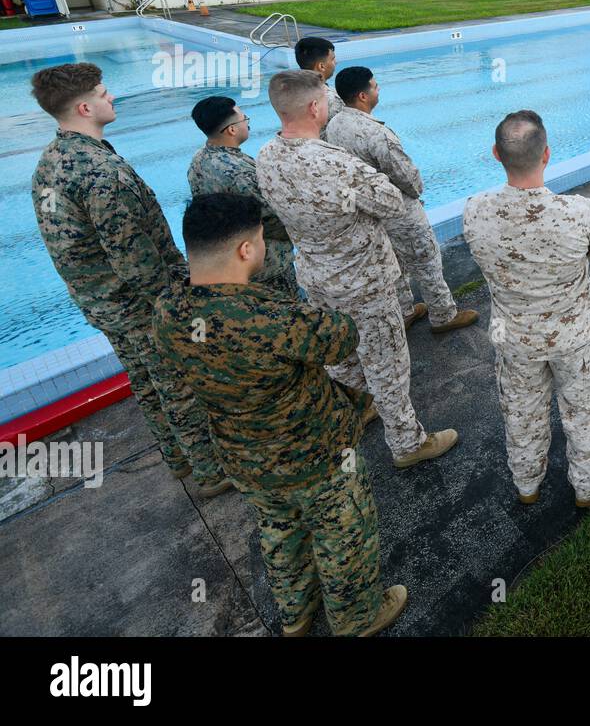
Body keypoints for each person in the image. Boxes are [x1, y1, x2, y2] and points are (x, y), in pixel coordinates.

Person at [153, 193, 404, 637]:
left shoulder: (166, 312)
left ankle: (296, 615)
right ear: (246, 250)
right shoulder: (268, 315)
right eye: (262, 240)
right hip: (316, 453)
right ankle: (356, 618)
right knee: (342, 532)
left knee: (279, 532)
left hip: (243, 458)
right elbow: (341, 338)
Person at [29, 63, 229, 497]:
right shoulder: (102, 174)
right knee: (179, 385)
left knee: (146, 381)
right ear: (85, 106)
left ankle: (179, 458)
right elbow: (132, 257)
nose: (111, 98)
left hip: (102, 302)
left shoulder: (54, 159)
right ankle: (211, 471)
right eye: (104, 93)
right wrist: (173, 303)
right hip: (138, 304)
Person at [256, 69, 458, 469]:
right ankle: (407, 442)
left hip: (314, 274)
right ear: (316, 107)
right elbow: (390, 204)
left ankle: (358, 407)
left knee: (340, 355)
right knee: (387, 362)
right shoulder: (337, 164)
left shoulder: (266, 156)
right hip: (363, 279)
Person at [463, 111, 590, 507]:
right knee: (584, 411)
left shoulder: (475, 211)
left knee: (522, 413)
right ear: (546, 154)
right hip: (574, 334)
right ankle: (586, 485)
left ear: (495, 154)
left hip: (513, 337)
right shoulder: (579, 212)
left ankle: (527, 484)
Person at [327, 66, 478, 335]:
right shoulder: (376, 134)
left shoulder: (335, 124)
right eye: (375, 85)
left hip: (367, 210)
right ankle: (443, 314)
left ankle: (406, 310)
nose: (378, 89)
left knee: (392, 263)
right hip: (398, 210)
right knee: (426, 261)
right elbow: (406, 177)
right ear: (363, 95)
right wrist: (417, 192)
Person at [187, 95, 299, 297]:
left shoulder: (198, 160)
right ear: (232, 129)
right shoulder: (238, 171)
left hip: (228, 260)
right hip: (267, 265)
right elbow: (271, 218)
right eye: (244, 118)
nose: (247, 122)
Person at [295, 36, 345, 123]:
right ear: (321, 66)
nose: (336, 62)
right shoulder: (331, 99)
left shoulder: (290, 91)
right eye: (332, 59)